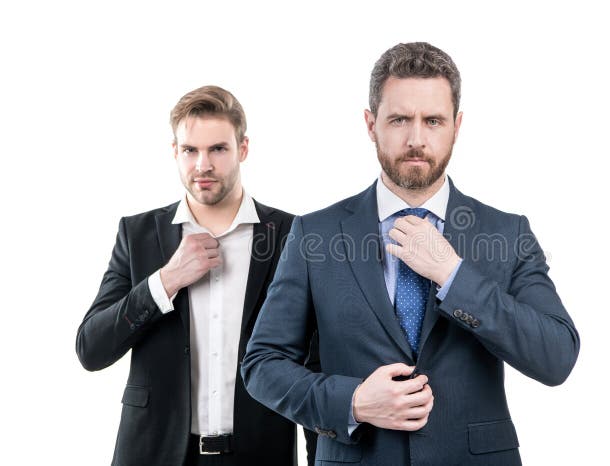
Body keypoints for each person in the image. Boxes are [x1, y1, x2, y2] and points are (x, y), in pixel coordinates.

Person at [241, 43, 580, 465]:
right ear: (371, 124)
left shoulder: (507, 233)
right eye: (399, 119)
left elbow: (556, 356)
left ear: (456, 126)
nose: (416, 139)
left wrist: (454, 276)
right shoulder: (315, 234)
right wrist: (354, 402)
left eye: (433, 121)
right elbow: (262, 365)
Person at [76, 85, 317, 465]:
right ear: (175, 151)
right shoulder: (137, 234)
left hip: (259, 453)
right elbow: (91, 349)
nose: (202, 165)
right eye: (190, 150)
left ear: (243, 148)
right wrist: (165, 280)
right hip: (154, 453)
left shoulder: (292, 235)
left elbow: (312, 363)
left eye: (218, 149)